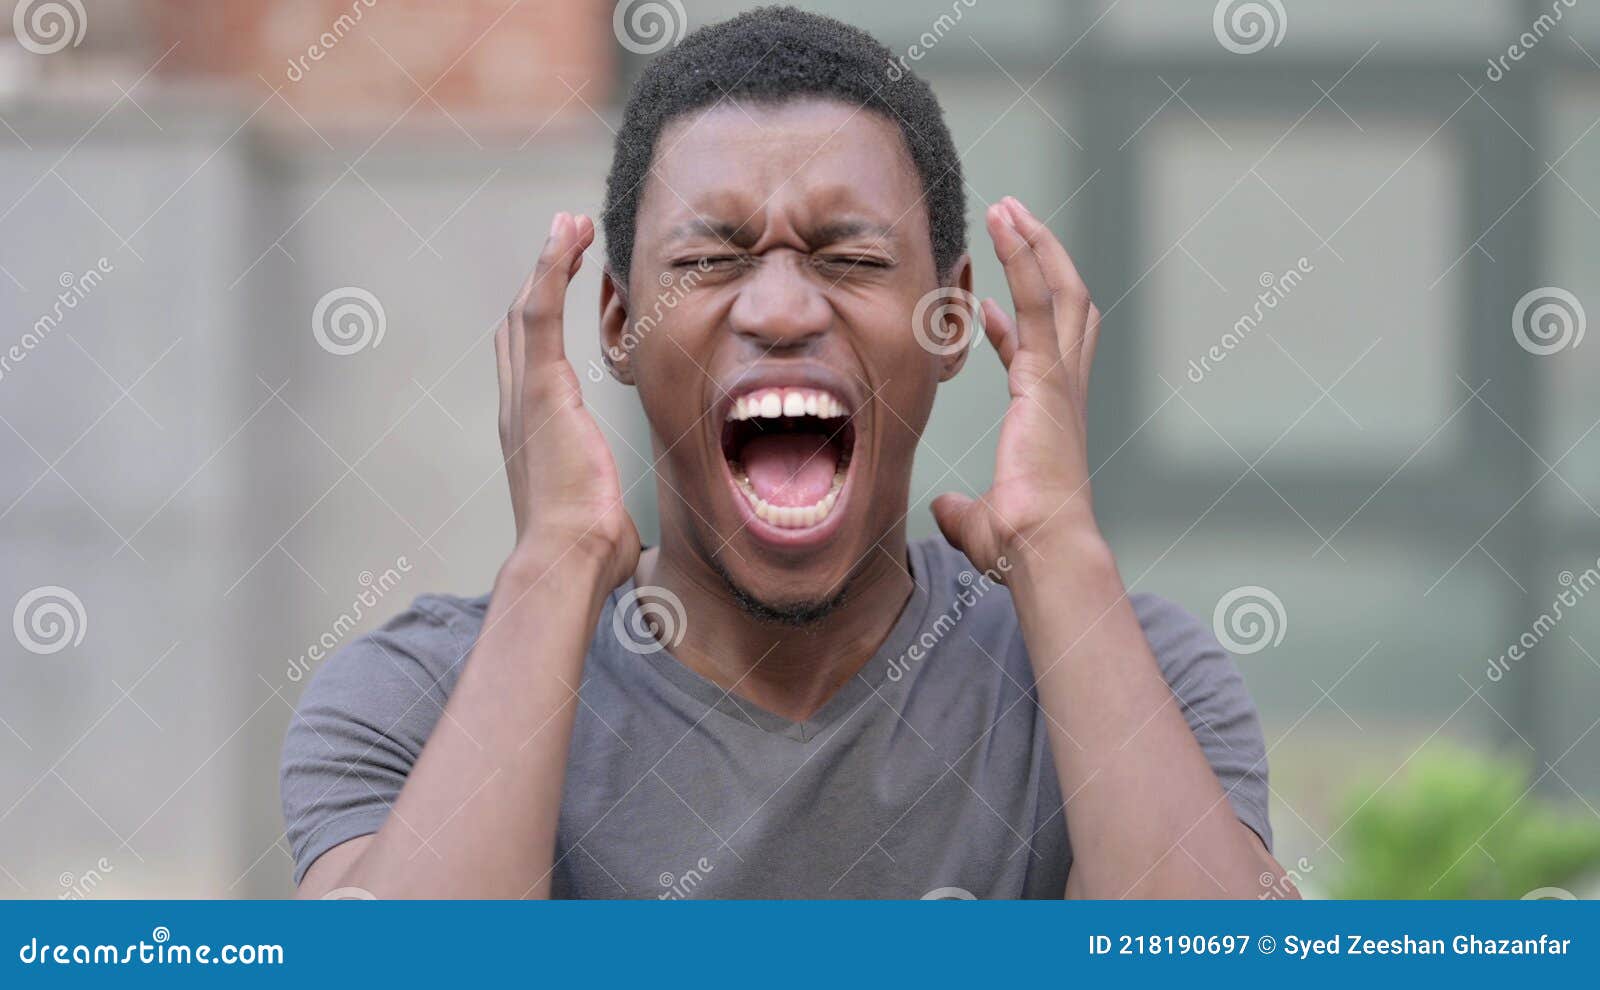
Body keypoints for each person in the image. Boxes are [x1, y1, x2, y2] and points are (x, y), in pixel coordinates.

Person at [282, 6, 1291, 899]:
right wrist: (552, 563)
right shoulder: (418, 693)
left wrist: (1057, 545)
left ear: (947, 322)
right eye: (709, 261)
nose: (778, 309)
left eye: (849, 260)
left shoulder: (1125, 670)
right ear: (620, 326)